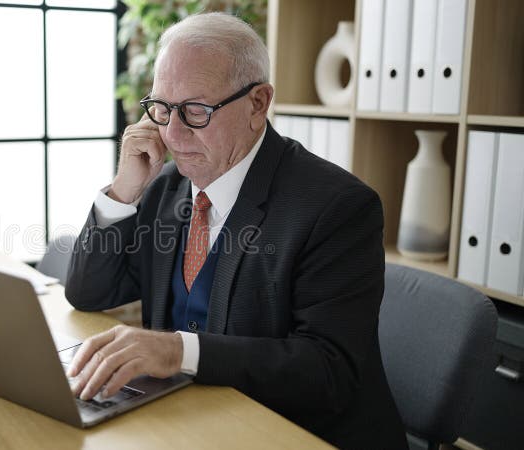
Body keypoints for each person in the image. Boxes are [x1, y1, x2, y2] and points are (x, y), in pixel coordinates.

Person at [64, 12, 407, 449]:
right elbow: (88, 292)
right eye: (162, 108)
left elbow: (328, 371)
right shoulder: (164, 188)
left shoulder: (337, 208)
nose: (172, 132)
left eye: (195, 110)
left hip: (295, 433)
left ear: (258, 104)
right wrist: (123, 190)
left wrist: (178, 352)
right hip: (190, 422)